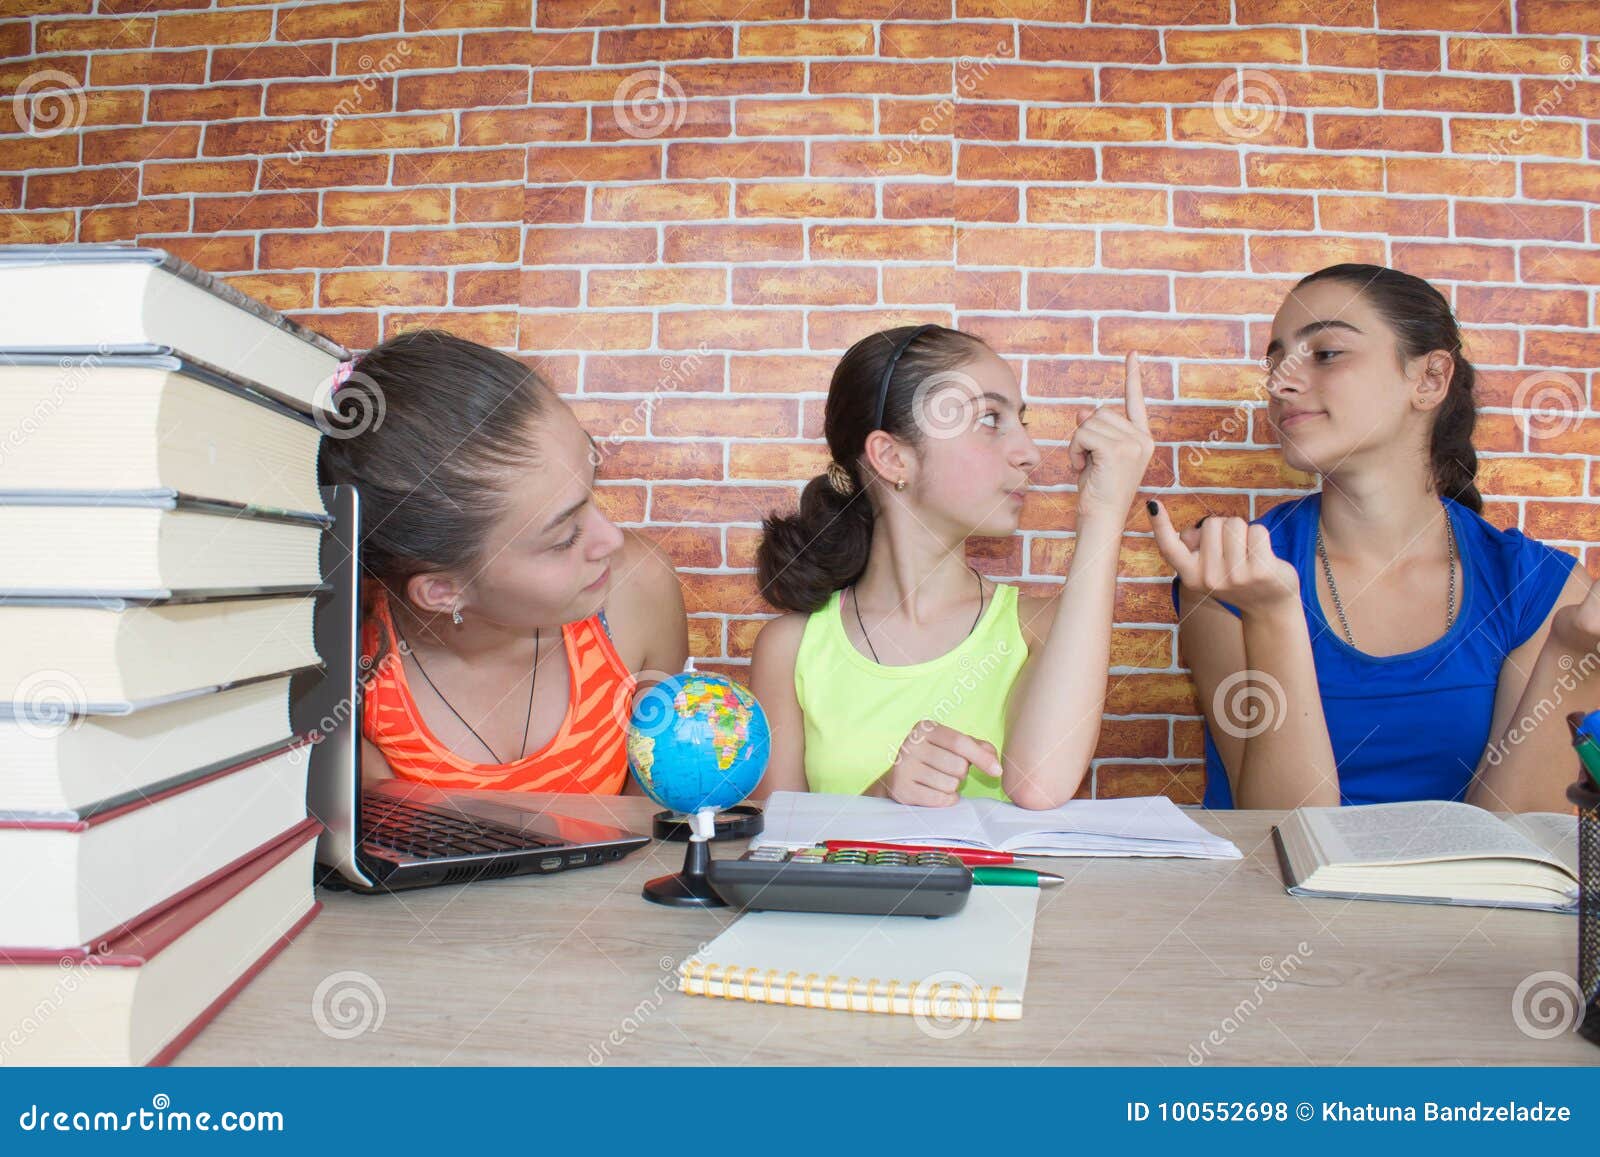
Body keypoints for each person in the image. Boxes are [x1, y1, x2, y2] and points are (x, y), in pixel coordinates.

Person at [1149, 263, 1599, 812]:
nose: (1279, 383)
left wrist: (1576, 655)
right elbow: (1278, 828)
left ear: (1430, 379)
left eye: (1326, 353)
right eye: (1275, 362)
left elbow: (1515, 841)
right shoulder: (1230, 572)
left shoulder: (1538, 589)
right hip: (1282, 869)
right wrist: (1271, 615)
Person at [749, 324, 1154, 809]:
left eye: (1021, 421)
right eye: (990, 419)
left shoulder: (1039, 628)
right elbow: (779, 846)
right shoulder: (790, 649)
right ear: (892, 457)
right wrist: (881, 797)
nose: (1029, 454)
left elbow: (1039, 785)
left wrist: (1103, 513)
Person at [319, 329, 687, 794]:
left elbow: (653, 818)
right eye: (564, 537)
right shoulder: (351, 670)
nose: (611, 539)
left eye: (591, 493)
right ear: (443, 591)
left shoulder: (639, 588)